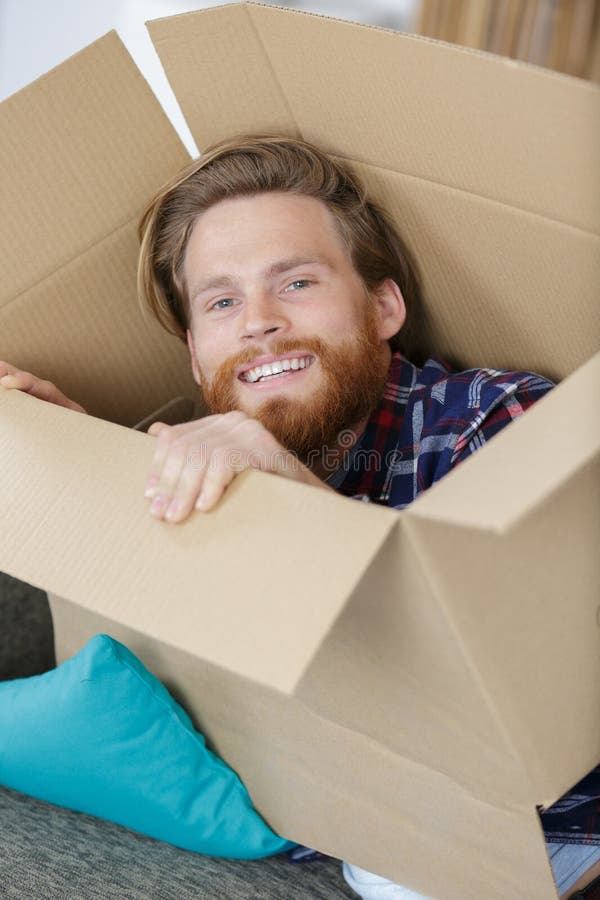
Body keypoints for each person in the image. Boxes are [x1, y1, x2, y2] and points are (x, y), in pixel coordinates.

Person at [1, 135, 598, 899]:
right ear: (195, 355)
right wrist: (86, 471)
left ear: (382, 307)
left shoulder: (496, 422)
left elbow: (523, 706)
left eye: (297, 282)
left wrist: (296, 496)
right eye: (222, 302)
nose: (259, 322)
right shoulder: (202, 460)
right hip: (363, 834)